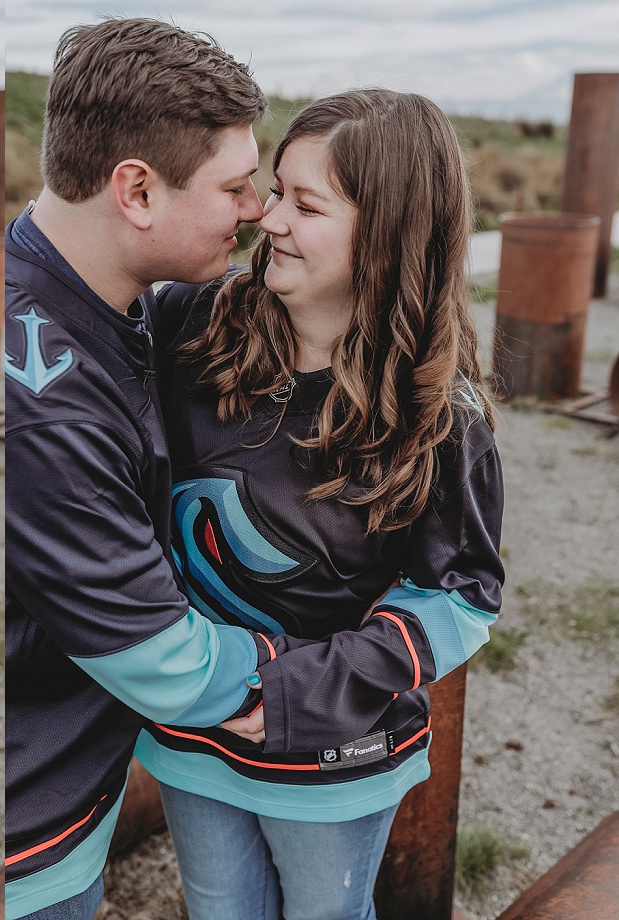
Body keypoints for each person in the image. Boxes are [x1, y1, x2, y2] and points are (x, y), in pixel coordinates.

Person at [141, 89, 503, 920]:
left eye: (304, 205)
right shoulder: (190, 323)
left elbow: (458, 595)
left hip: (334, 756)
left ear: (386, 235)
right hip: (190, 733)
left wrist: (298, 697)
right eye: (275, 190)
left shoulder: (440, 414)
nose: (268, 219)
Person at [5, 18, 285, 919]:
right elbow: (161, 658)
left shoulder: (108, 299)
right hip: (26, 824)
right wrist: (337, 680)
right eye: (235, 188)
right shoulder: (45, 402)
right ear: (135, 190)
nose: (255, 212)